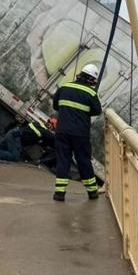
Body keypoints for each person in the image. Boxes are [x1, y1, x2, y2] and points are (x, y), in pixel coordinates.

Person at [52, 63, 103, 201]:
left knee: (63, 160)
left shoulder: (64, 87)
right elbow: (97, 110)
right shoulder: (91, 93)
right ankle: (92, 192)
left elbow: (56, 105)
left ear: (80, 75)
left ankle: (59, 193)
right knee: (83, 161)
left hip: (62, 131)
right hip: (80, 134)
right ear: (92, 80)